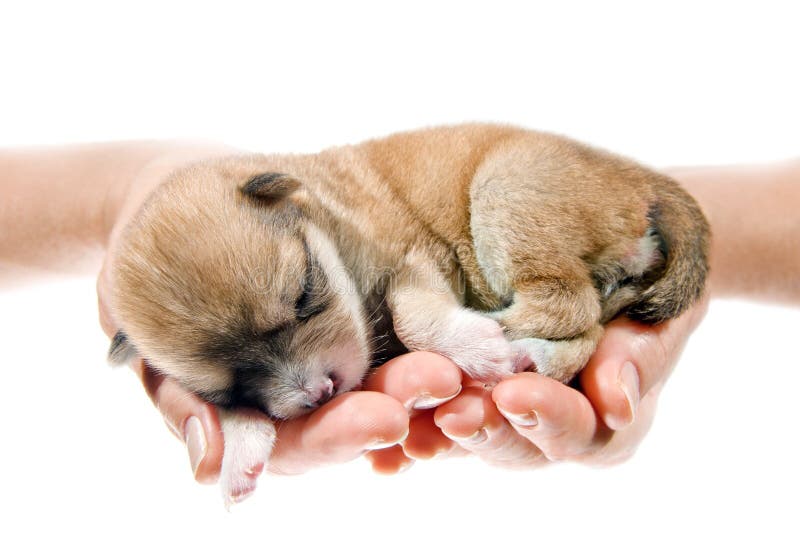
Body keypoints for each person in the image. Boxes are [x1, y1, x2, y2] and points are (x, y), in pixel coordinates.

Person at [1, 142, 797, 481]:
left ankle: (564, 315)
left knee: (515, 206)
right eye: (239, 377)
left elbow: (410, 277)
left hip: (510, 188)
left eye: (304, 302)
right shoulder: (283, 243)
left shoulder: (329, 210)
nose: (305, 385)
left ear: (293, 202)